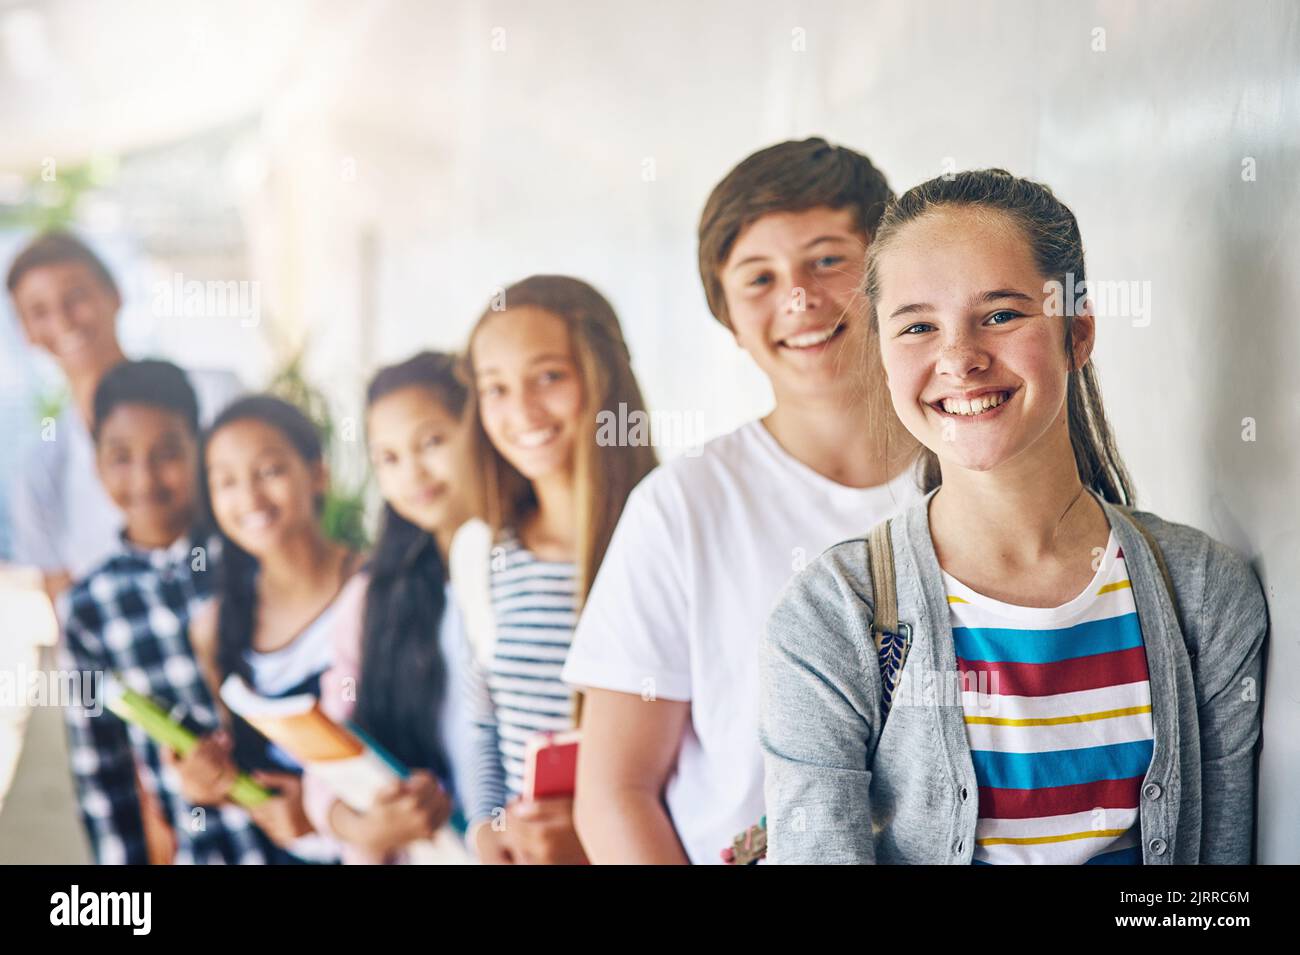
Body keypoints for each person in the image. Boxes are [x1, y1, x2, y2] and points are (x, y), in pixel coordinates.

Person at [760, 169, 1268, 864]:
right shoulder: (833, 613)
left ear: (1077, 334)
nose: (960, 359)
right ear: (882, 353)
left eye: (1000, 315)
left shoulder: (1204, 592)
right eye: (916, 326)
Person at [563, 138, 919, 863]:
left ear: (888, 275)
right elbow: (614, 791)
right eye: (759, 278)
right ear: (726, 314)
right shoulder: (682, 506)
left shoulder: (975, 473)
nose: (798, 299)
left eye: (827, 260)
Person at [456, 275, 656, 864]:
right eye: (495, 388)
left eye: (549, 376)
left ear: (603, 378)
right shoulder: (481, 552)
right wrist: (485, 829)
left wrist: (596, 835)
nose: (521, 411)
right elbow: (483, 724)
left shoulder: (665, 538)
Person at [60, 359, 268, 864]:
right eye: (121, 457)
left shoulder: (253, 553)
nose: (145, 477)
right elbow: (102, 779)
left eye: (168, 452)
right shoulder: (89, 605)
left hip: (311, 842)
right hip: (207, 852)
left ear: (200, 450)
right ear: (96, 463)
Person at [302, 352, 486, 863]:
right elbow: (331, 750)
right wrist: (361, 825)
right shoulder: (373, 597)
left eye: (432, 441)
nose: (413, 473)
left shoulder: (523, 572)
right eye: (388, 457)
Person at [170, 395, 362, 864]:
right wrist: (207, 781)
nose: (250, 498)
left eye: (269, 471)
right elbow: (248, 772)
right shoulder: (214, 626)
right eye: (226, 482)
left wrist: (324, 815)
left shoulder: (374, 590)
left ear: (317, 473)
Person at [6, 231, 241, 600]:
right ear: (26, 333)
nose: (63, 320)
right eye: (39, 311)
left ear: (114, 295)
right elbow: (67, 610)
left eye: (76, 296)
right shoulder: (41, 471)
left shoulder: (215, 396)